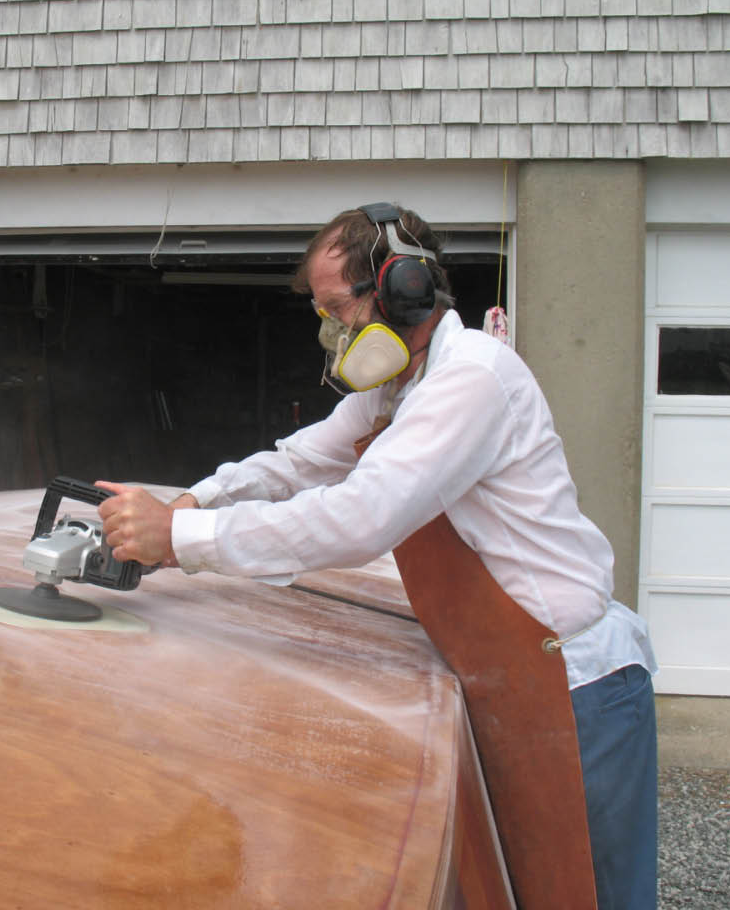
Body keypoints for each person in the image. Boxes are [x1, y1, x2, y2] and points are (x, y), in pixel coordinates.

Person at [96, 203, 658, 910]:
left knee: (590, 896)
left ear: (403, 290)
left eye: (338, 307)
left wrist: (181, 545)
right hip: (510, 669)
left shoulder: (471, 379)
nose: (332, 330)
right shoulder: (397, 387)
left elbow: (362, 517)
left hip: (576, 684)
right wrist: (191, 505)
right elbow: (297, 463)